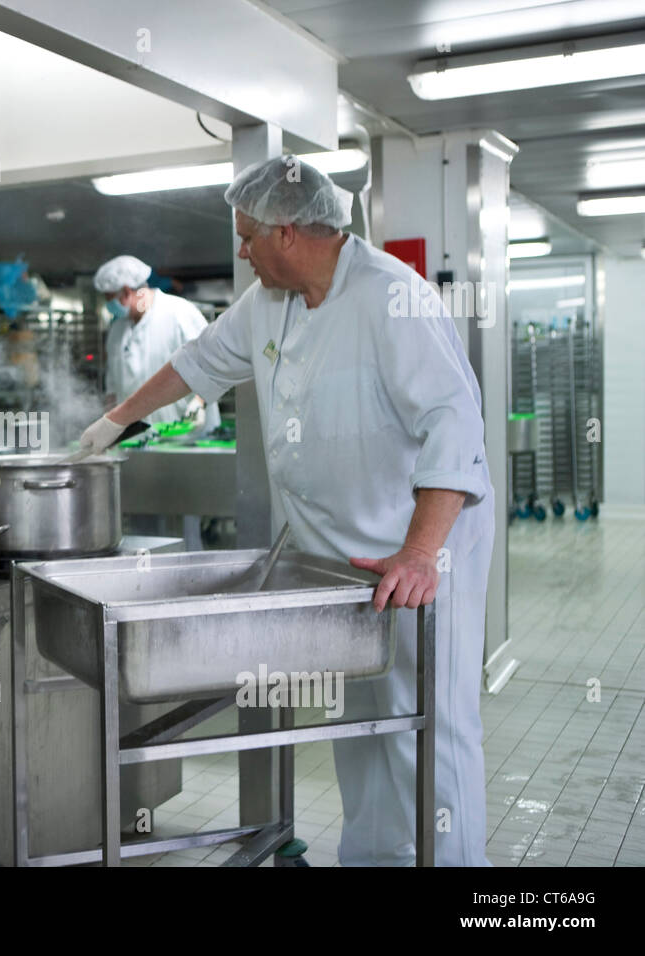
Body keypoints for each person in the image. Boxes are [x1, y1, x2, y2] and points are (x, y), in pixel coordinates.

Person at [79, 155, 494, 867]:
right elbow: (200, 361)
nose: (241, 252)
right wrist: (116, 418)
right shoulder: (268, 300)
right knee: (360, 718)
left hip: (416, 556)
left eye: (248, 237)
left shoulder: (394, 298)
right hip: (335, 561)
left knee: (433, 729)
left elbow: (455, 427)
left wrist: (422, 553)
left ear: (291, 231)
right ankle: (372, 859)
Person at [93, 255, 218, 428]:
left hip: (187, 433)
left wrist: (199, 402)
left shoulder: (179, 313)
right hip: (138, 437)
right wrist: (108, 425)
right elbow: (113, 386)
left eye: (110, 298)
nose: (109, 305)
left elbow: (212, 362)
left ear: (127, 292)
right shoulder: (117, 330)